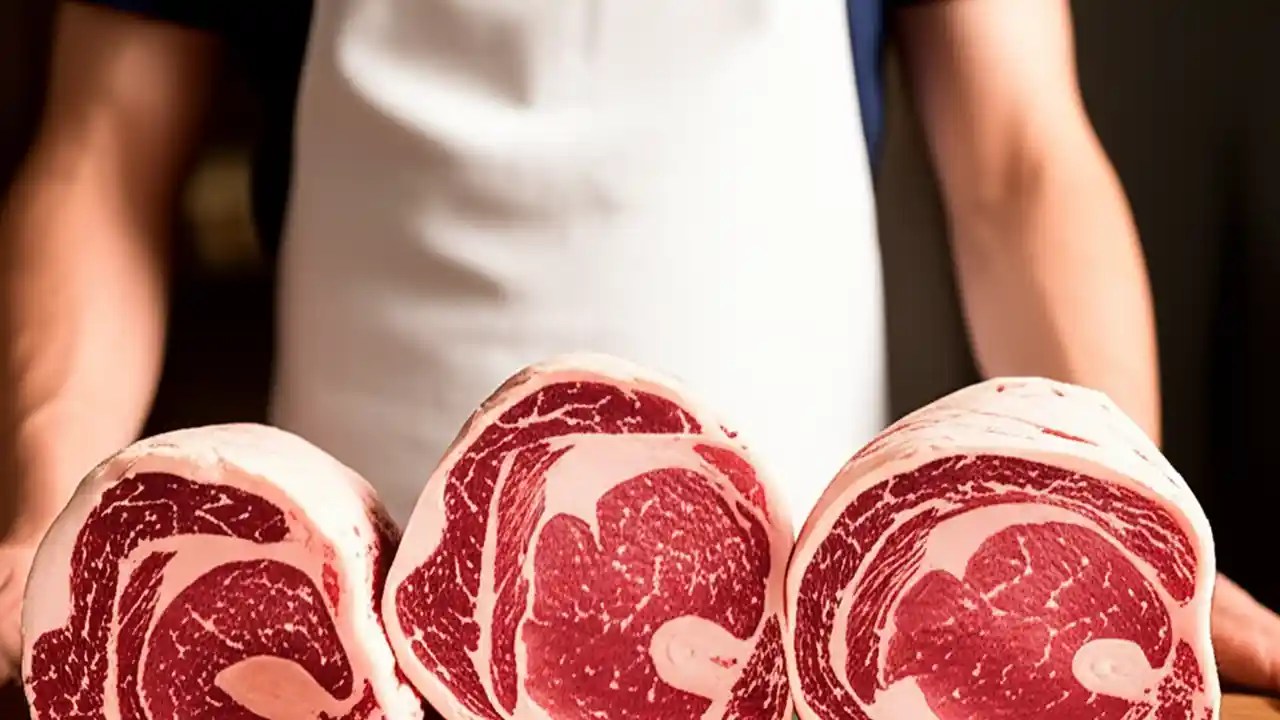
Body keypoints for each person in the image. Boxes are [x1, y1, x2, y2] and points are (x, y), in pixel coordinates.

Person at [1, 0, 1277, 698]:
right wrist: (41, 508)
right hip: (359, 611)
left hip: (801, 622)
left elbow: (1017, 161)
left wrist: (1113, 519)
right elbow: (102, 155)